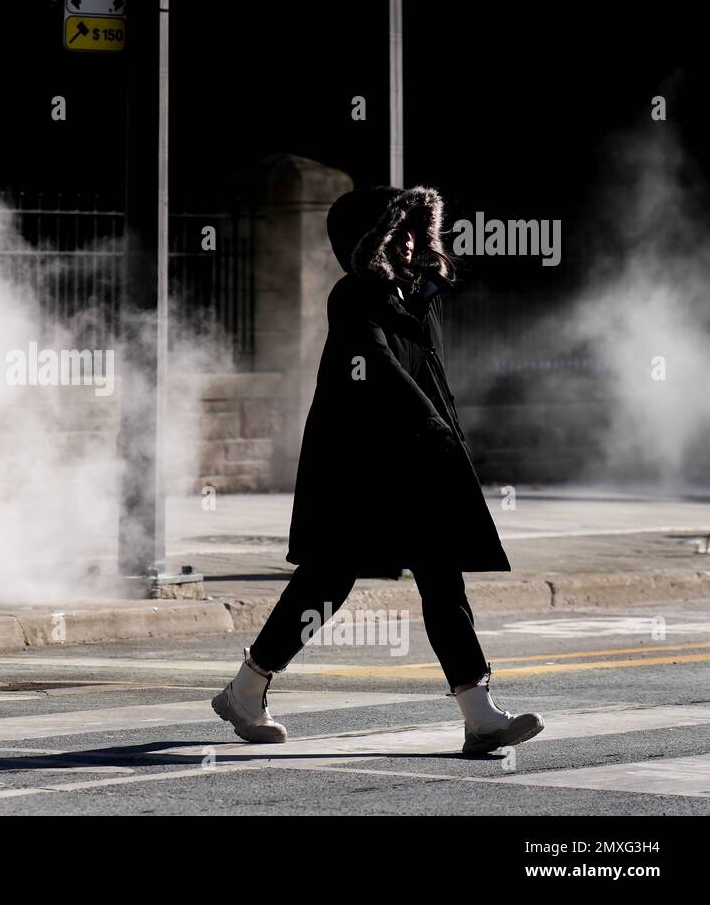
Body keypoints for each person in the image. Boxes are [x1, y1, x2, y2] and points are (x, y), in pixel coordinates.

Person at [211, 185, 544, 756]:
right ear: (373, 243)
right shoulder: (353, 296)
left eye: (419, 228)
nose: (412, 240)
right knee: (327, 580)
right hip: (359, 466)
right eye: (400, 230)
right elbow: (379, 366)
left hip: (414, 461)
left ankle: (479, 712)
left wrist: (442, 435)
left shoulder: (421, 296)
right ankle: (248, 686)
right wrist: (430, 425)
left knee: (442, 576)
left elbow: (431, 374)